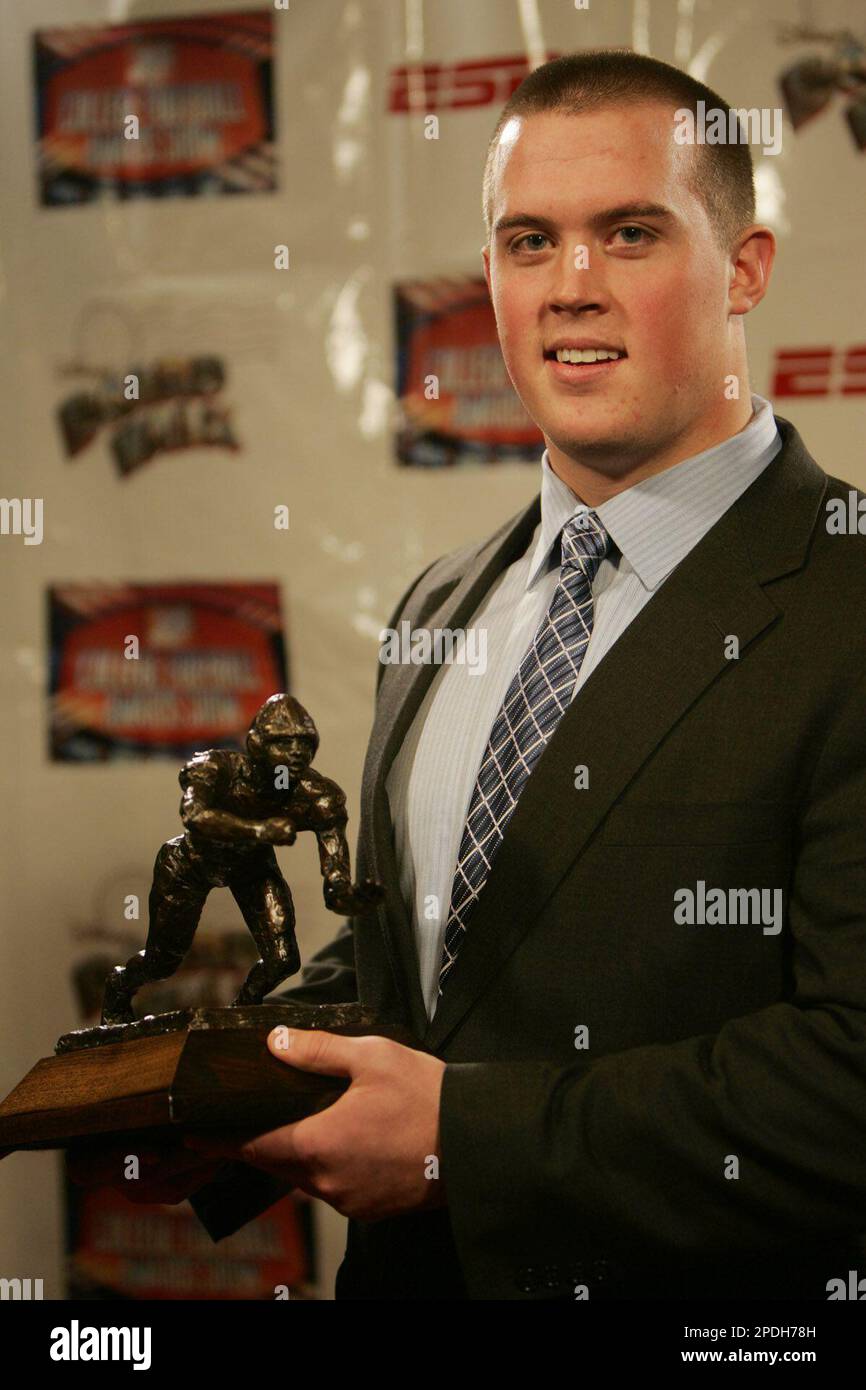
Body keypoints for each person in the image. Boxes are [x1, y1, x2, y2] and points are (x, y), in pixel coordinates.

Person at [71, 49, 866, 1301]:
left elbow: (847, 1081)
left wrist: (459, 1141)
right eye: (527, 242)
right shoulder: (445, 604)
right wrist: (232, 1098)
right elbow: (423, 978)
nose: (572, 288)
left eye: (630, 232)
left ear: (746, 268)